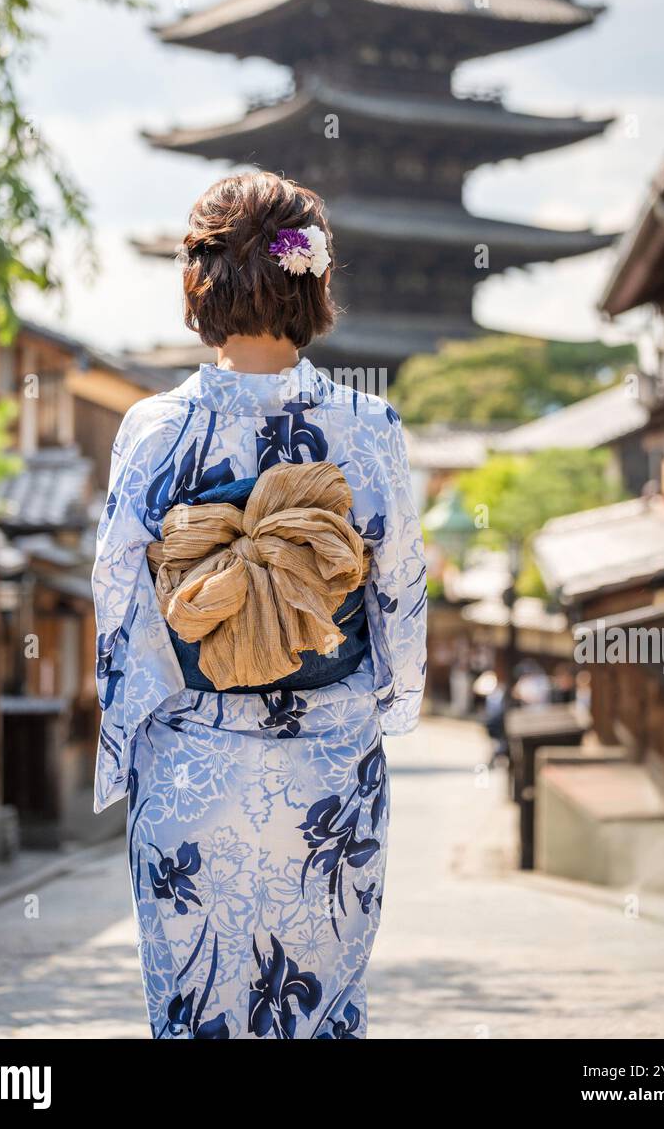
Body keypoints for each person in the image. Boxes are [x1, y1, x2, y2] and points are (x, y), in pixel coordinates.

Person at [91, 172, 427, 1040]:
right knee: (318, 1007)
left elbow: (121, 601)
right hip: (328, 763)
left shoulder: (155, 427)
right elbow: (398, 591)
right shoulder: (369, 426)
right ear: (314, 282)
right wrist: (387, 700)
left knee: (195, 1001)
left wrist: (131, 733)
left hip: (190, 759)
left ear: (197, 284)